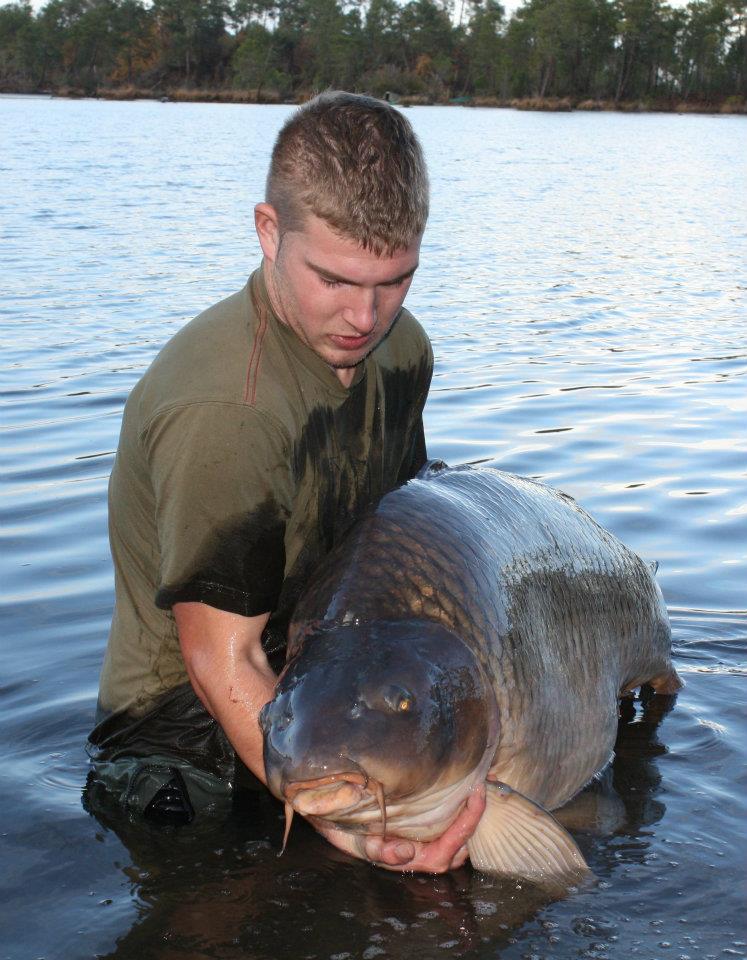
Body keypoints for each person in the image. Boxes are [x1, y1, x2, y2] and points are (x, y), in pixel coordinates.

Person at [85, 91, 485, 873]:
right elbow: (219, 662)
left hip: (330, 695)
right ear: (269, 232)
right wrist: (362, 833)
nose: (365, 316)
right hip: (178, 742)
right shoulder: (226, 412)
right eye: (334, 279)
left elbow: (406, 537)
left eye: (394, 280)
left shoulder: (402, 352)